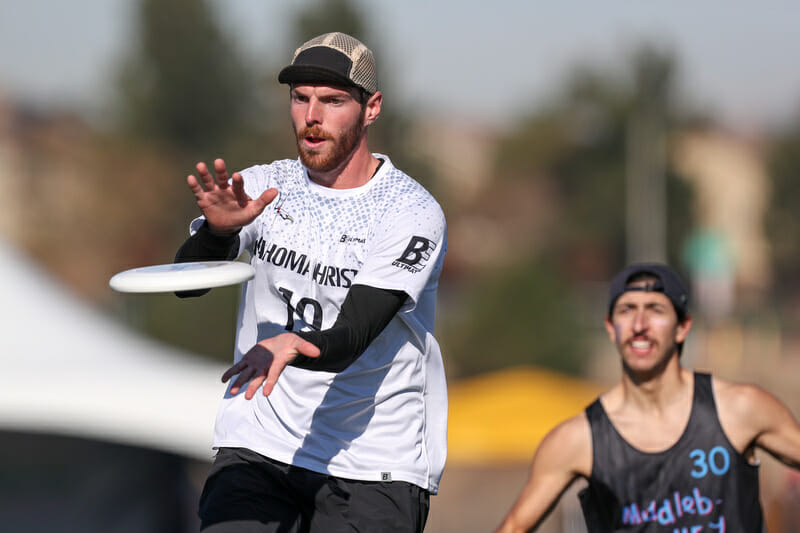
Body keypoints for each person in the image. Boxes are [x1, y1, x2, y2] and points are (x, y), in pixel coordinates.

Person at [174, 32, 448, 533]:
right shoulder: (262, 186)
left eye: (332, 100)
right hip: (258, 438)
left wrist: (292, 344)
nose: (312, 116)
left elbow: (353, 335)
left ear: (371, 108)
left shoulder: (410, 211)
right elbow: (187, 284)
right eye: (300, 98)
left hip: (371, 460)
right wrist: (218, 232)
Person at [494, 262, 800, 532]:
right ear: (611, 328)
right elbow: (514, 527)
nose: (639, 325)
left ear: (682, 328)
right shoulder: (579, 440)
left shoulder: (740, 410)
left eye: (655, 310)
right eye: (626, 310)